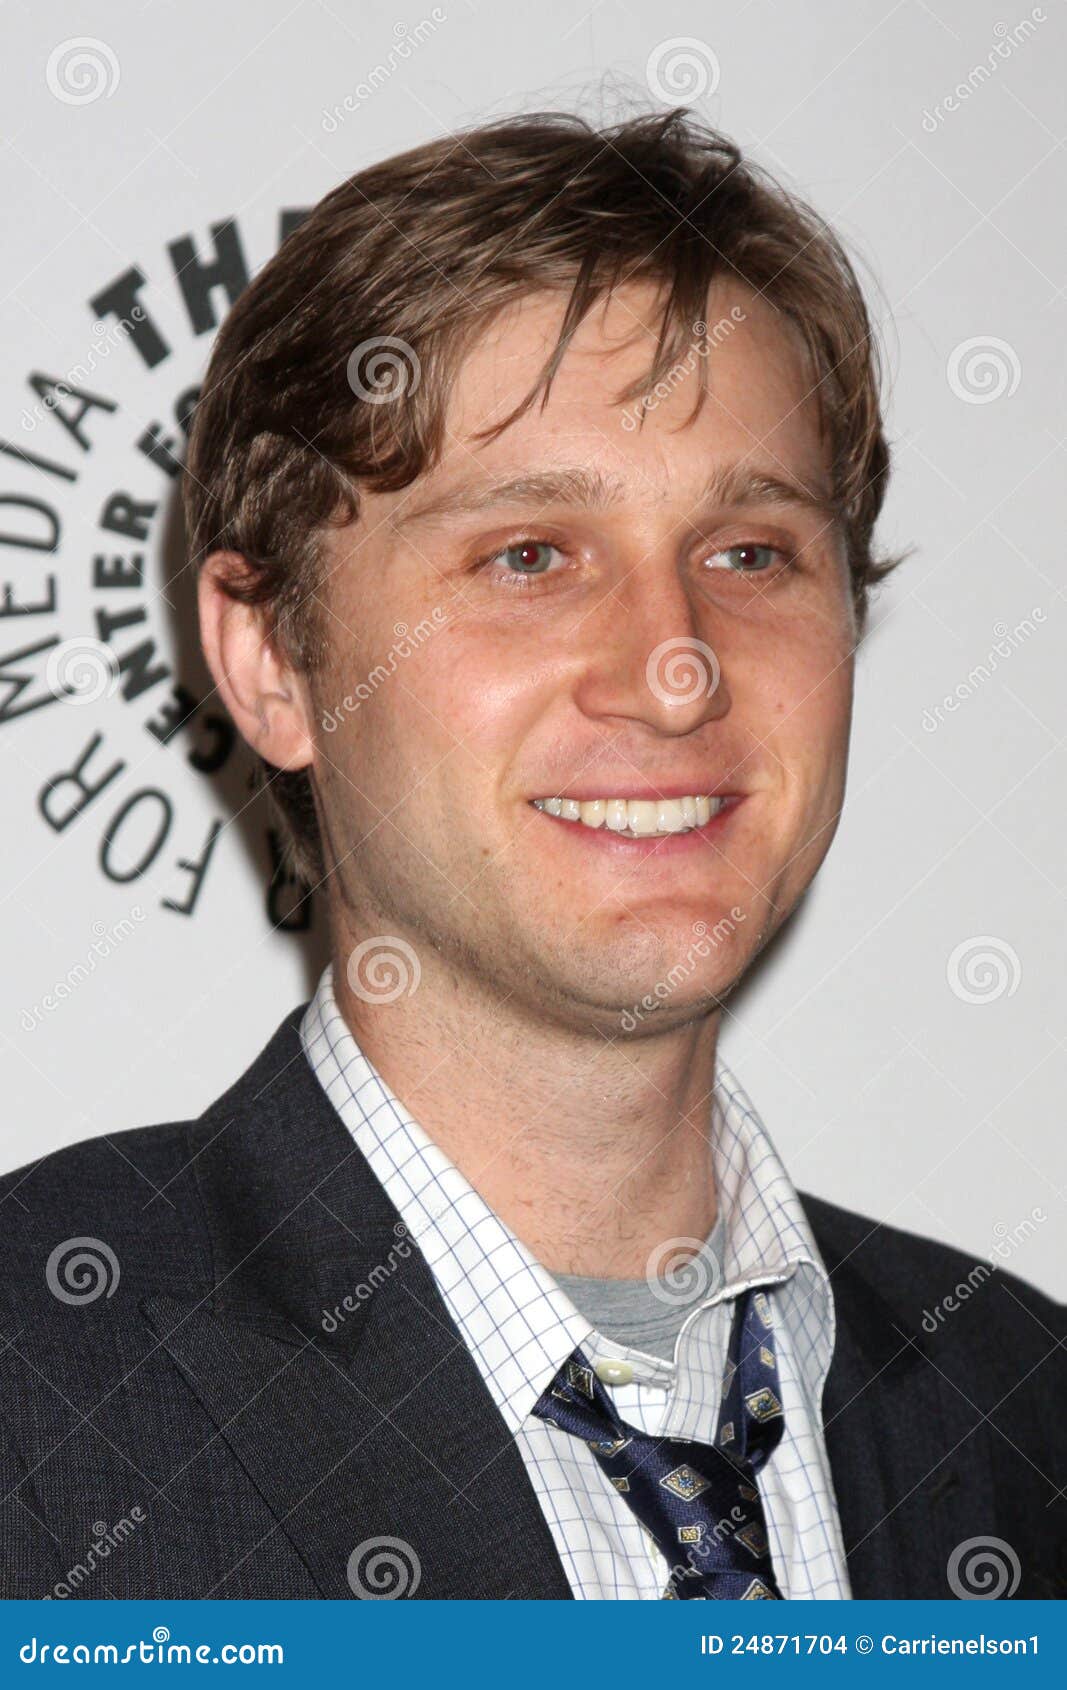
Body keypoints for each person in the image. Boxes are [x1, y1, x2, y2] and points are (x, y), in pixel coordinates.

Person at [1, 109, 1062, 1602]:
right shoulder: (43, 1397)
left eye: (751, 552)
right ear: (270, 662)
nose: (676, 666)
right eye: (530, 556)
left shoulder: (1028, 1408)